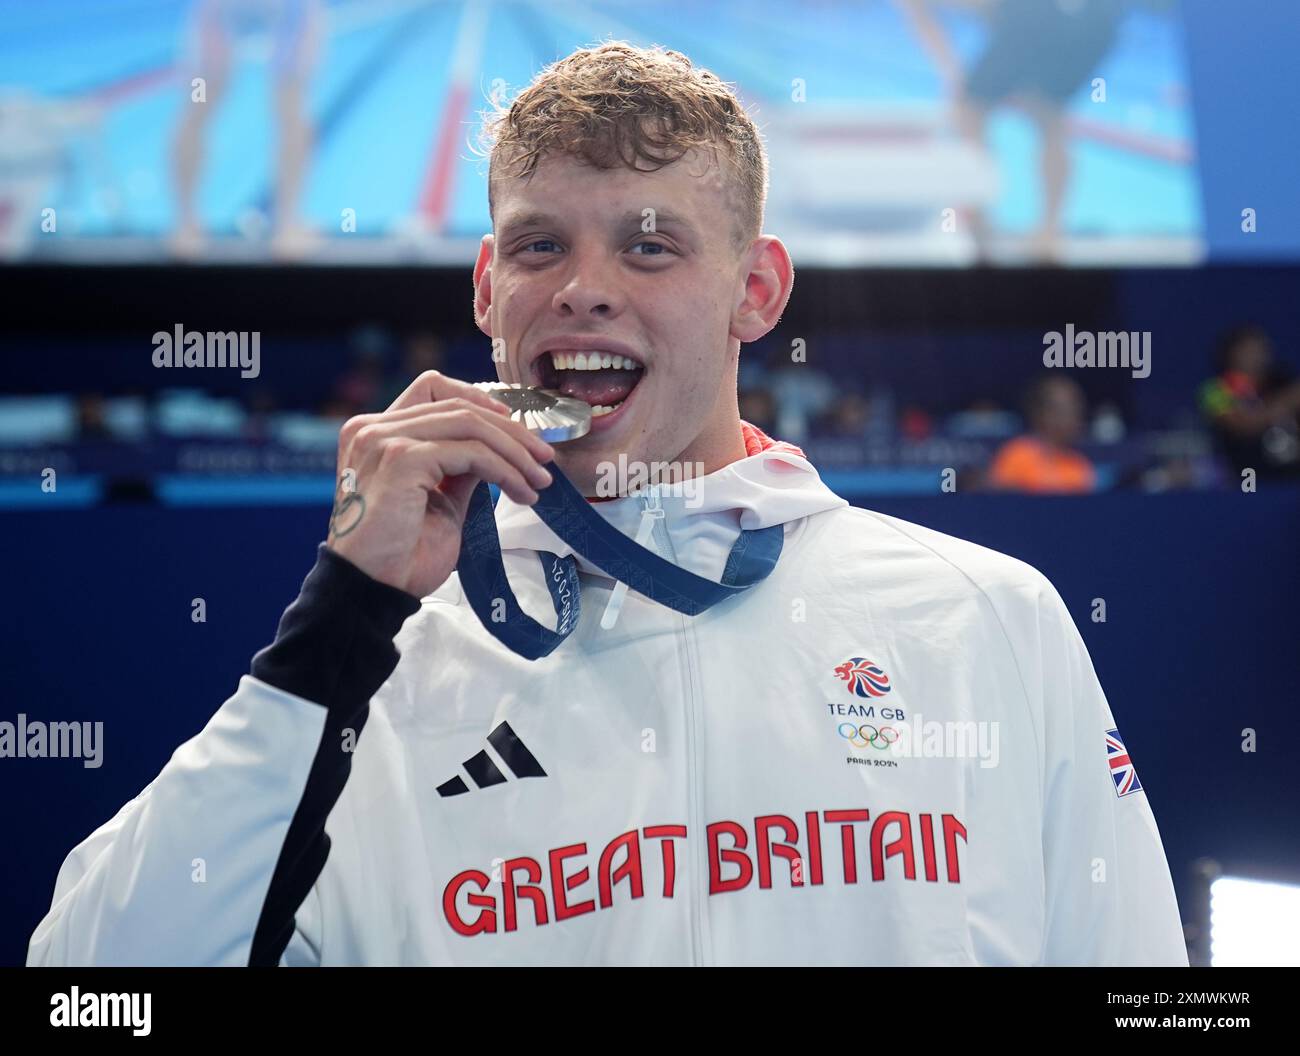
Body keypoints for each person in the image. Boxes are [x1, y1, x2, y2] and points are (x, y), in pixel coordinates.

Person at [29, 42, 1186, 967]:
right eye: (540, 246)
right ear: (489, 289)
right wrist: (339, 617)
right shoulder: (372, 683)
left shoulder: (981, 617)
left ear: (756, 290)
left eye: (649, 247)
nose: (583, 289)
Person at [1198, 324, 1300, 480]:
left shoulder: (1283, 381)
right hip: (1246, 478)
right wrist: (1287, 401)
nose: (1257, 355)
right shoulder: (1215, 390)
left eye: (1260, 348)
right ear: (1232, 353)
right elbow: (1243, 425)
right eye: (1249, 349)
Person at [988, 374, 1098, 493]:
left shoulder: (1080, 466)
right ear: (1040, 413)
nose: (1074, 418)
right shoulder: (1016, 455)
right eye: (1064, 410)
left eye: (1077, 409)